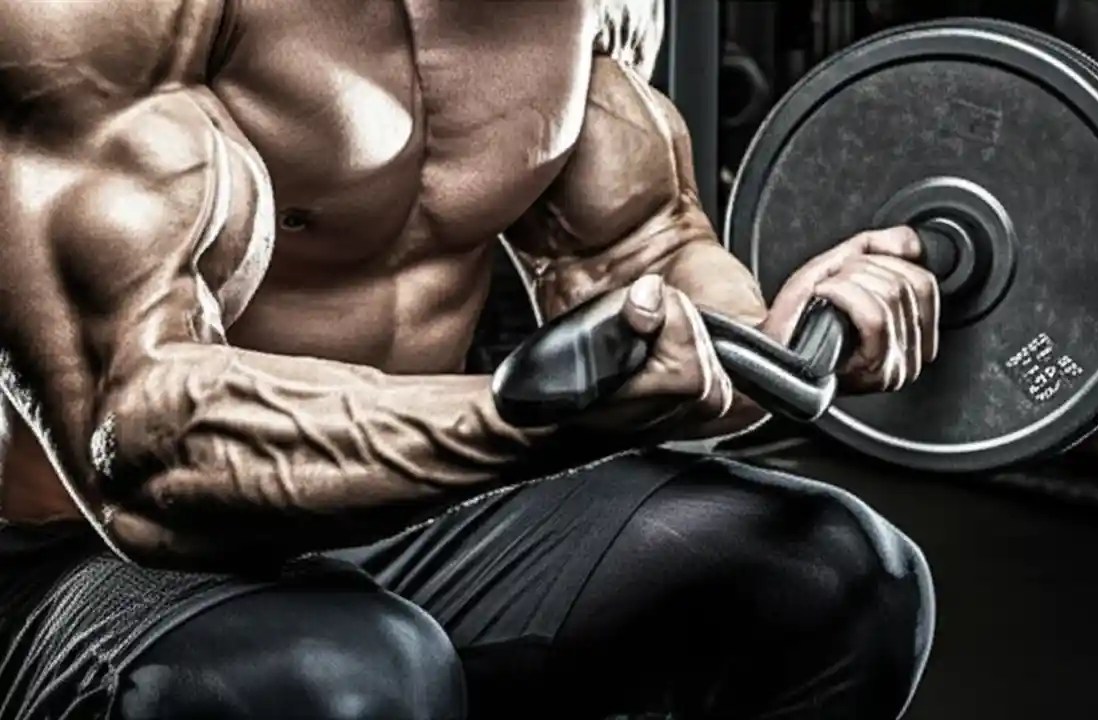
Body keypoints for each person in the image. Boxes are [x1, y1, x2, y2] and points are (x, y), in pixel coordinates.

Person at [0, 1, 938, 718]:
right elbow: (143, 441)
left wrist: (779, 335)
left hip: (410, 513)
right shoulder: (113, 16)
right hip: (78, 551)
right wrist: (513, 422)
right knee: (343, 679)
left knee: (833, 577)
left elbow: (637, 256)